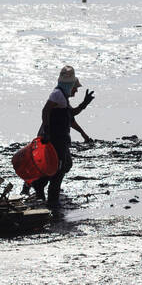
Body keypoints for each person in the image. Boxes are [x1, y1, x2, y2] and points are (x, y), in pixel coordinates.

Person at [29, 65, 94, 209]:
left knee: (65, 165)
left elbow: (70, 116)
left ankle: (39, 184)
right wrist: (46, 130)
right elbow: (45, 110)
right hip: (53, 138)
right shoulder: (57, 94)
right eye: (75, 87)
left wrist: (84, 104)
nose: (76, 90)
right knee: (59, 168)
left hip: (61, 139)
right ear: (69, 85)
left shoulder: (63, 98)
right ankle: (52, 199)